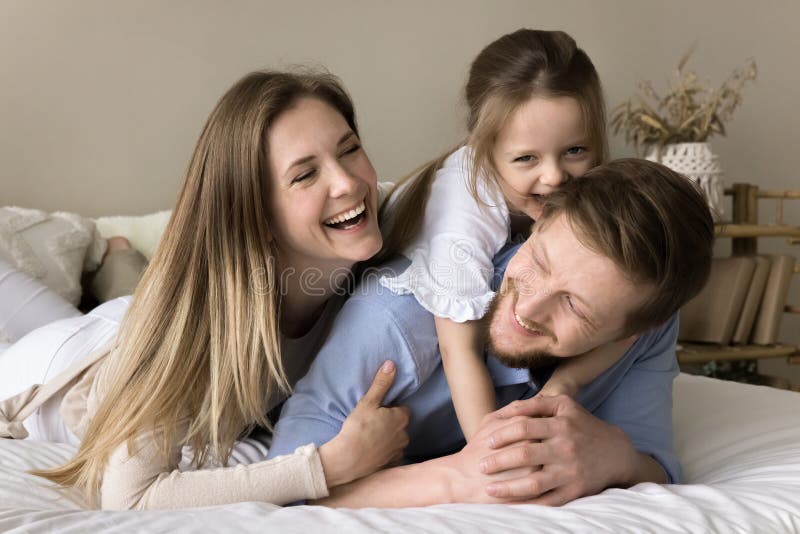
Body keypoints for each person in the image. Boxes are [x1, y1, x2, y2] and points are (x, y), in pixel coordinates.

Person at [0, 70, 410, 510]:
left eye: (349, 149)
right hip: (57, 369)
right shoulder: (202, 326)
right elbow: (130, 497)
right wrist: (328, 466)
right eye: (304, 175)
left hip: (130, 320)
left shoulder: (378, 209)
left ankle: (117, 256)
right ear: (258, 215)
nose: (348, 183)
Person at [267, 159, 715, 507]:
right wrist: (455, 478)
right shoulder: (394, 318)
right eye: (538, 262)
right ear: (538, 221)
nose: (528, 308)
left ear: (633, 330)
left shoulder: (646, 327)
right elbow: (285, 480)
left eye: (575, 306)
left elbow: (656, 465)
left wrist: (616, 455)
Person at [378, 29, 632, 441]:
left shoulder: (587, 193)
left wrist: (563, 385)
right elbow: (458, 349)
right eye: (527, 158)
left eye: (575, 151)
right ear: (484, 149)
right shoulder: (462, 215)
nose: (554, 176)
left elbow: (633, 325)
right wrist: (491, 451)